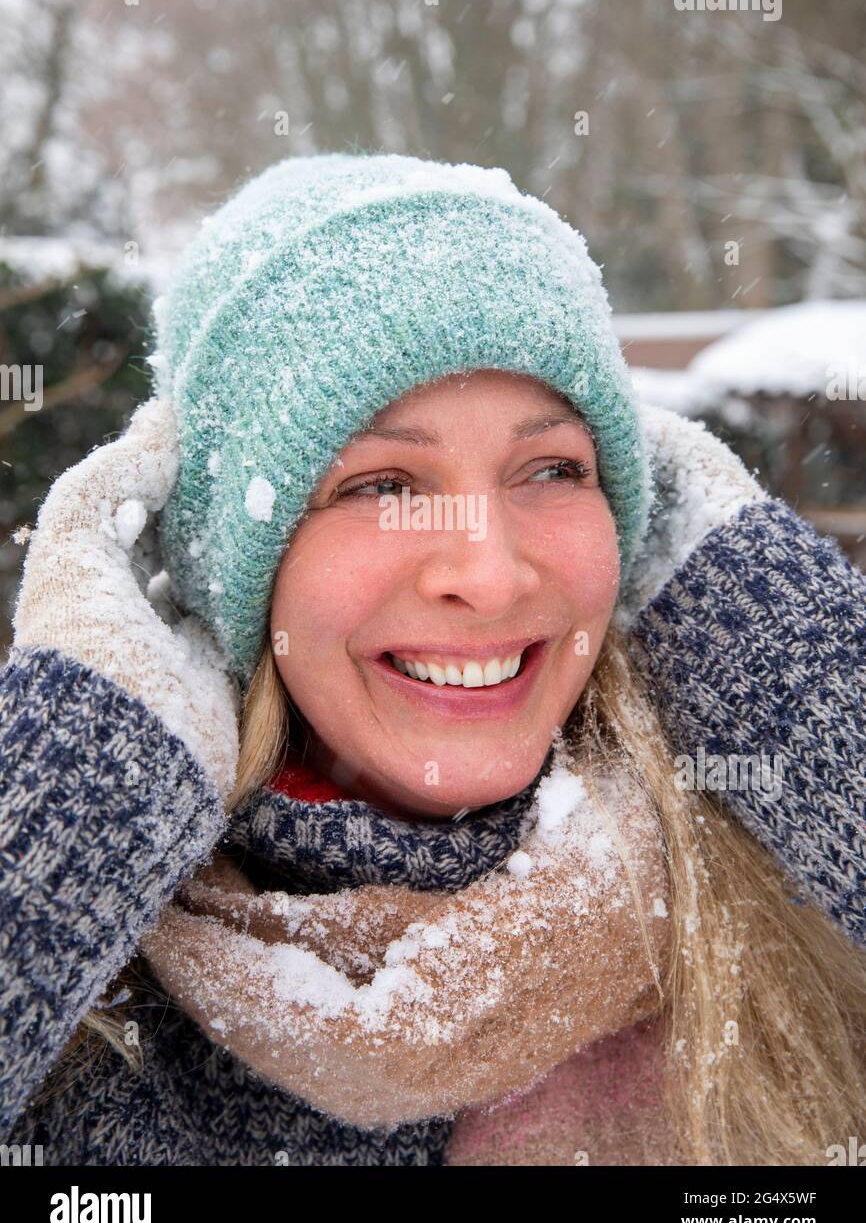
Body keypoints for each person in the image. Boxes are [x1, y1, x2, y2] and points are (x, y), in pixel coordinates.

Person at [1, 154, 864, 1167]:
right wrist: (74, 790)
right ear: (227, 564)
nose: (489, 576)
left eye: (551, 469)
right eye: (380, 484)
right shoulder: (85, 1017)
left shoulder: (787, 918)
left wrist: (796, 670)